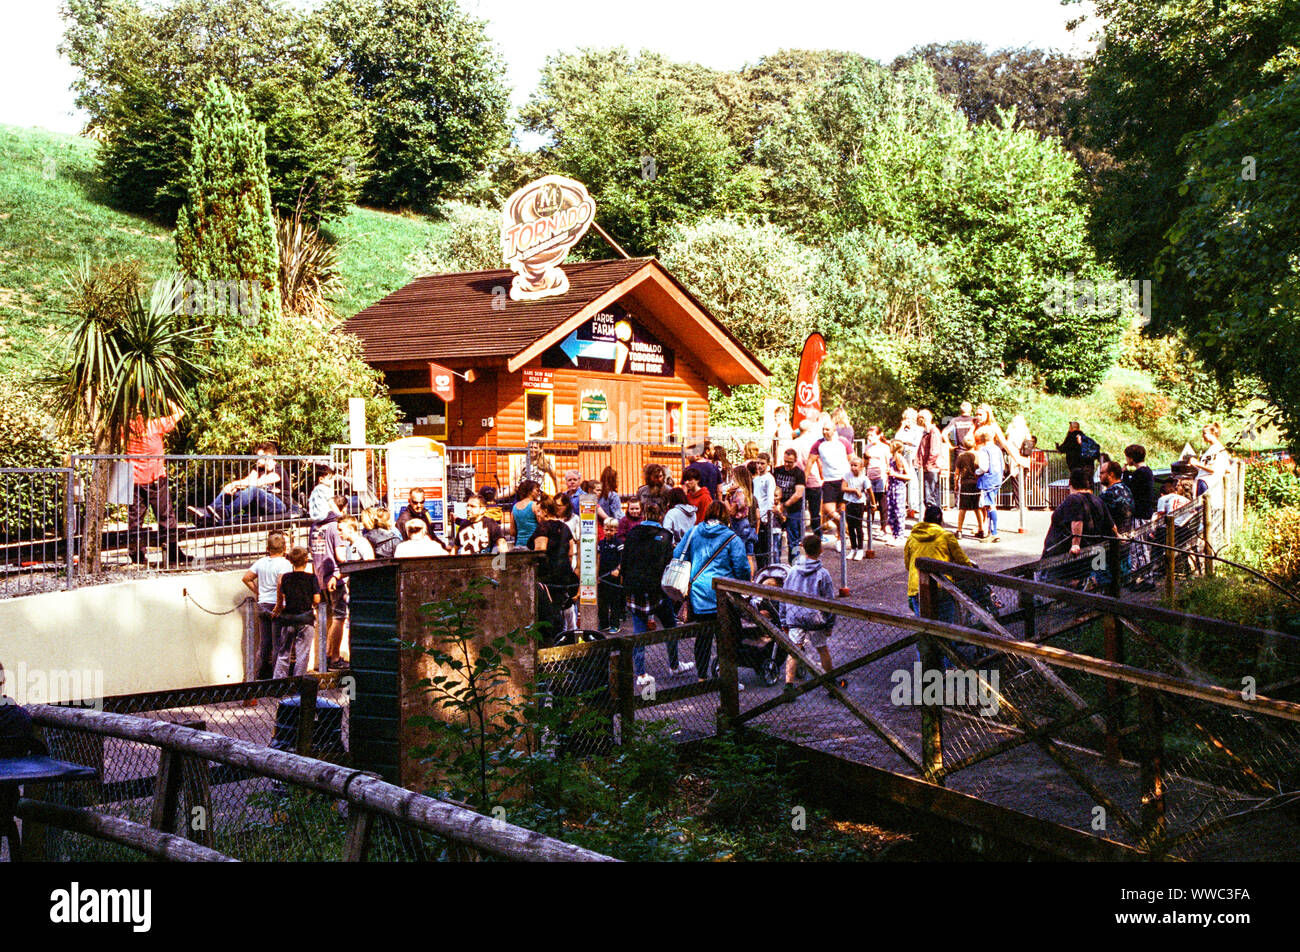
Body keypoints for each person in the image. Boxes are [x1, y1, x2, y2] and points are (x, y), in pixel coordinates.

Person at [673, 501, 751, 680]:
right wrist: (743, 585)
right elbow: (742, 567)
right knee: (729, 637)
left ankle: (702, 677)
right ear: (725, 516)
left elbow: (677, 554)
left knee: (703, 637)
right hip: (724, 594)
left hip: (699, 593)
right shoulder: (731, 538)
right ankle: (728, 678)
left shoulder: (693, 532)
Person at [622, 503, 690, 680]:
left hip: (635, 589)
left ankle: (640, 672)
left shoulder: (632, 533)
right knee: (670, 627)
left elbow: (625, 559)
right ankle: (674, 664)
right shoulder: (665, 536)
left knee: (639, 631)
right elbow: (668, 562)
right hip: (657, 590)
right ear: (661, 516)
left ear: (644, 514)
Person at [124, 398, 189, 566]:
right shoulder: (154, 425)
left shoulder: (126, 429)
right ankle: (172, 553)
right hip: (154, 478)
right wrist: (161, 396)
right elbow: (180, 412)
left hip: (135, 479)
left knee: (135, 520)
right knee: (166, 517)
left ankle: (137, 556)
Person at [781, 534, 838, 693]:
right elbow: (829, 601)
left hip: (795, 616)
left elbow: (783, 596)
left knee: (794, 651)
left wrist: (783, 620)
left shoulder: (792, 571)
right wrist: (829, 623)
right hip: (815, 618)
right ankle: (831, 682)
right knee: (822, 649)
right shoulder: (823, 574)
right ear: (820, 550)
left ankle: (789, 686)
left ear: (803, 549)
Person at [191, 441, 291, 525]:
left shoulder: (279, 470)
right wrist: (233, 486)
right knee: (232, 490)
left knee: (253, 489)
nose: (256, 459)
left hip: (279, 505)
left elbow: (258, 483)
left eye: (259, 457)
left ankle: (224, 513)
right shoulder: (258, 469)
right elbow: (248, 480)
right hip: (261, 505)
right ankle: (209, 513)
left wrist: (236, 484)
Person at [904, 504, 973, 625]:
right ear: (940, 519)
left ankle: (929, 643)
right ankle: (948, 643)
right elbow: (963, 561)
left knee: (925, 628)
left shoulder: (912, 537)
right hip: (941, 587)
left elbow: (907, 564)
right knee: (946, 627)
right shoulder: (946, 537)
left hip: (917, 588)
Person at [309, 492, 351, 670]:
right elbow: (341, 556)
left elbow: (312, 551)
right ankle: (333, 657)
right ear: (344, 508)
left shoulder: (315, 526)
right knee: (340, 617)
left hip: (319, 576)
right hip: (335, 577)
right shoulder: (336, 527)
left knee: (325, 618)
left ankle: (324, 656)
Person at [242, 531, 291, 679]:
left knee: (264, 644)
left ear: (268, 548)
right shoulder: (285, 564)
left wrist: (258, 591)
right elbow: (280, 584)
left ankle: (256, 677)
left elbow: (246, 578)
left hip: (262, 604)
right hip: (276, 605)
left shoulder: (261, 562)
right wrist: (278, 604)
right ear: (284, 548)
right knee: (278, 644)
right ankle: (277, 679)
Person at [531, 495, 579, 641]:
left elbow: (539, 552)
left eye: (539, 511)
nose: (537, 514)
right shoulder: (565, 527)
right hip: (564, 575)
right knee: (563, 609)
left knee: (550, 614)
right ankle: (568, 640)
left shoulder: (543, 527)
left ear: (546, 511)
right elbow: (571, 553)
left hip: (548, 578)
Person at [1042, 468, 1116, 560]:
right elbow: (1112, 525)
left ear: (1070, 484)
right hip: (1091, 556)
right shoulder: (1098, 501)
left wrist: (1075, 544)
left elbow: (1077, 521)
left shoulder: (1074, 499)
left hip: (1061, 558)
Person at [271, 547, 321, 678]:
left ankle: (278, 682)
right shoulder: (311, 578)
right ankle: (298, 683)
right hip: (305, 618)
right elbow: (317, 599)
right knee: (302, 654)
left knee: (284, 653)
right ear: (306, 560)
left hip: (288, 618)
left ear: (291, 561)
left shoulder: (286, 577)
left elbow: (281, 595)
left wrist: (278, 607)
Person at [812, 415, 854, 550]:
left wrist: (855, 480)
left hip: (843, 480)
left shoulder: (843, 442)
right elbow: (810, 461)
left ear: (834, 430)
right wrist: (804, 477)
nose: (825, 432)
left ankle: (840, 539)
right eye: (823, 429)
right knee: (829, 510)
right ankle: (845, 526)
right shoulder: (819, 443)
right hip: (829, 481)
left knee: (842, 510)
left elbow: (852, 460)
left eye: (827, 429)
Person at [771, 448, 806, 564]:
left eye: (790, 462)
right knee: (776, 539)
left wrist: (784, 505)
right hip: (777, 509)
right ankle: (776, 565)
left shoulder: (799, 473)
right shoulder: (777, 471)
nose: (787, 464)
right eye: (785, 461)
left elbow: (798, 493)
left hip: (793, 510)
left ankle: (794, 565)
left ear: (795, 460)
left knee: (794, 541)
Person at [974, 429, 1004, 544]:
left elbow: (984, 467)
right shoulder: (998, 449)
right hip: (997, 479)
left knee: (990, 506)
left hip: (987, 480)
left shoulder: (984, 450)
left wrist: (976, 472)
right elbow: (1002, 466)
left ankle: (993, 533)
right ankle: (992, 532)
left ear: (982, 439)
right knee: (992, 505)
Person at [1191, 422, 1230, 504]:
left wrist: (1196, 463)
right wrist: (1195, 465)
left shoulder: (1215, 449)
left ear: (1213, 434)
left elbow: (1212, 469)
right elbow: (1227, 469)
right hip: (1211, 483)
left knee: (1202, 510)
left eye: (1205, 433)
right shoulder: (1217, 448)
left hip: (1206, 483)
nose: (1203, 436)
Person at [597, 518, 624, 635]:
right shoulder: (601, 543)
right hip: (603, 576)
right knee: (602, 602)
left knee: (614, 602)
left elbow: (623, 558)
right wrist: (596, 575)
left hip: (614, 578)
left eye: (611, 530)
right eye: (606, 529)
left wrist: (618, 569)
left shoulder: (619, 544)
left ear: (616, 530)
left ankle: (615, 624)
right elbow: (598, 559)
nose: (608, 532)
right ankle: (604, 623)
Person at [916, 409, 947, 511]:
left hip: (931, 468)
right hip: (927, 467)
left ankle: (932, 519)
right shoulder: (926, 432)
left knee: (930, 496)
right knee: (930, 495)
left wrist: (927, 466)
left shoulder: (933, 431)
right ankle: (935, 518)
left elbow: (934, 451)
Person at [863, 425, 891, 537]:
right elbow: (864, 464)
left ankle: (884, 528)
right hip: (870, 478)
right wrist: (866, 457)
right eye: (868, 435)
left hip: (881, 478)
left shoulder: (885, 448)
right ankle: (869, 528)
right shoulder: (867, 447)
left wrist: (887, 480)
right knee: (870, 504)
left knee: (883, 504)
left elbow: (889, 464)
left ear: (879, 435)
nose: (870, 438)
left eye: (872, 435)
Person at [896, 407, 924, 518]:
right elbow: (896, 440)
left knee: (914, 482)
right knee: (905, 482)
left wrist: (905, 441)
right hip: (903, 457)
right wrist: (902, 427)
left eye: (909, 418)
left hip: (914, 457)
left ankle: (914, 507)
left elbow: (916, 443)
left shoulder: (918, 429)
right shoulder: (903, 430)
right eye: (906, 418)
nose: (907, 421)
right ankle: (906, 506)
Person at [886, 439, 914, 546]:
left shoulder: (901, 459)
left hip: (899, 488)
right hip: (891, 488)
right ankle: (894, 535)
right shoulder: (890, 459)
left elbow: (909, 476)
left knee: (899, 512)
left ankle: (900, 535)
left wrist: (895, 474)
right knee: (891, 512)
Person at [954, 437, 983, 539]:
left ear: (964, 446)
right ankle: (981, 529)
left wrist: (956, 484)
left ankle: (959, 530)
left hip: (965, 483)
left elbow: (957, 473)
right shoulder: (978, 455)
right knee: (976, 508)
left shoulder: (961, 456)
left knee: (963, 508)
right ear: (974, 444)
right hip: (976, 483)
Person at [1123, 445, 1157, 524]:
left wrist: (1125, 473)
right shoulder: (1147, 470)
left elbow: (1129, 489)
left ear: (1131, 458)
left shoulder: (1139, 473)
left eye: (1127, 457)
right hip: (1147, 511)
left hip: (1141, 514)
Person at [843, 456, 867, 559]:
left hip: (859, 503)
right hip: (849, 502)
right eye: (851, 465)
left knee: (858, 526)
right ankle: (853, 548)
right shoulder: (847, 476)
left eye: (855, 465)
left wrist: (874, 504)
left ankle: (860, 549)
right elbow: (843, 487)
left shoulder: (864, 478)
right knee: (850, 526)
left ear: (861, 467)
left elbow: (869, 490)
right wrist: (854, 490)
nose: (853, 468)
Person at [511, 479, 541, 548]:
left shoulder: (515, 507)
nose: (539, 493)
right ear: (530, 491)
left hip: (519, 545)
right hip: (533, 544)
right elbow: (541, 525)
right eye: (537, 490)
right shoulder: (535, 505)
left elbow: (512, 532)